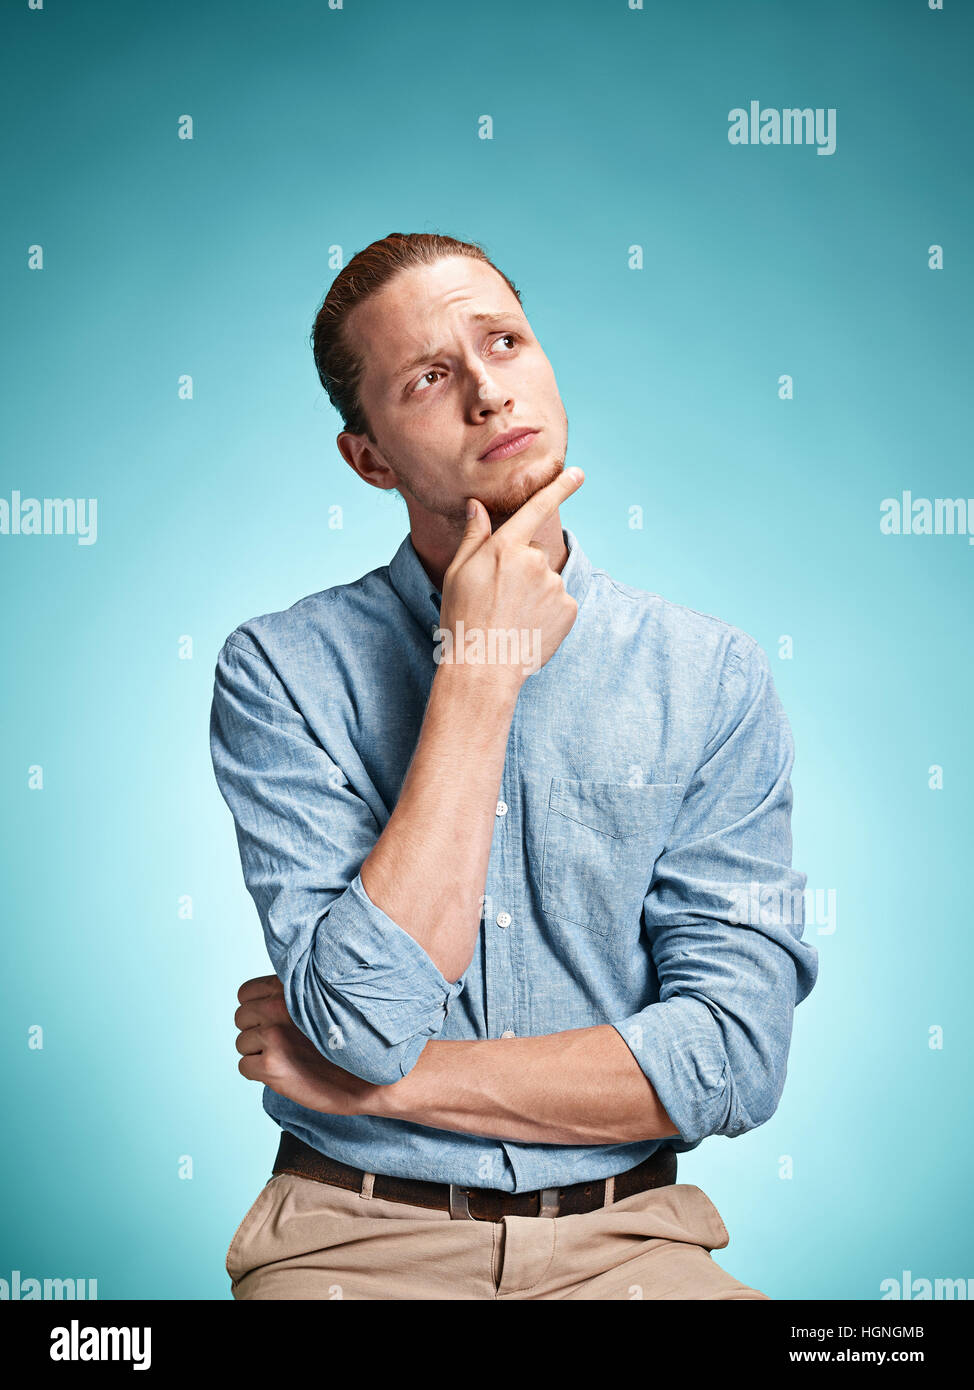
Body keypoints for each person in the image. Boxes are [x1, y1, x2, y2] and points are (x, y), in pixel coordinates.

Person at [209, 231, 818, 1301]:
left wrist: (369, 1085)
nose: (489, 392)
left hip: (633, 1245)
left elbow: (727, 1056)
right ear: (370, 458)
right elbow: (364, 1018)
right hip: (352, 1241)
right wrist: (476, 675)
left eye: (504, 342)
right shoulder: (282, 670)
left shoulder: (710, 674)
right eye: (429, 377)